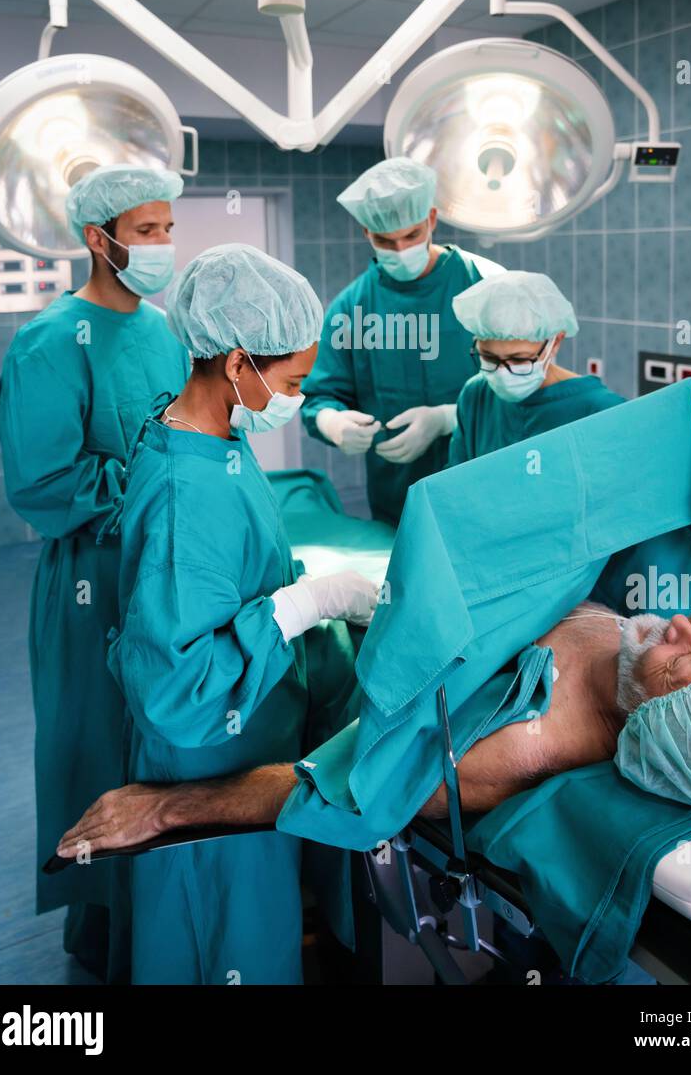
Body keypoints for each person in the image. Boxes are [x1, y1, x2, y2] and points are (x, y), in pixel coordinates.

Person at [104, 244, 379, 985]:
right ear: (235, 363)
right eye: (291, 380)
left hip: (249, 736)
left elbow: (234, 578)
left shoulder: (214, 437)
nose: (298, 394)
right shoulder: (182, 494)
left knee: (254, 923)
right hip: (204, 755)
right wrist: (303, 603)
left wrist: (300, 600)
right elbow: (175, 690)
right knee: (218, 940)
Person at [58, 606, 691, 855]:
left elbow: (351, 786)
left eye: (683, 660)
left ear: (651, 726)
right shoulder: (636, 656)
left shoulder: (520, 744)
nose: (684, 625)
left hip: (360, 676)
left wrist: (166, 807)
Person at [0, 163, 190, 982]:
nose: (161, 247)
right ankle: (103, 927)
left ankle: (164, 909)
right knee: (93, 740)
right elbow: (42, 487)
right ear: (97, 238)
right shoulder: (48, 341)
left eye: (166, 230)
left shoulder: (162, 328)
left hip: (164, 561)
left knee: (161, 734)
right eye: (146, 232)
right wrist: (153, 479)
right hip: (91, 575)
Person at [302, 156, 502, 523]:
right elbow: (319, 396)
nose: (399, 250)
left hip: (482, 483)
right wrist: (334, 422)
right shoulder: (351, 307)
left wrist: (448, 418)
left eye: (411, 236)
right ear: (366, 233)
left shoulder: (485, 284)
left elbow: (522, 384)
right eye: (385, 240)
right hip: (396, 496)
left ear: (431, 219)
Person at [448, 270, 624, 465]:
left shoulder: (602, 410)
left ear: (555, 342)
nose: (502, 372)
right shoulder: (476, 395)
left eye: (519, 359)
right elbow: (455, 484)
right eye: (489, 357)